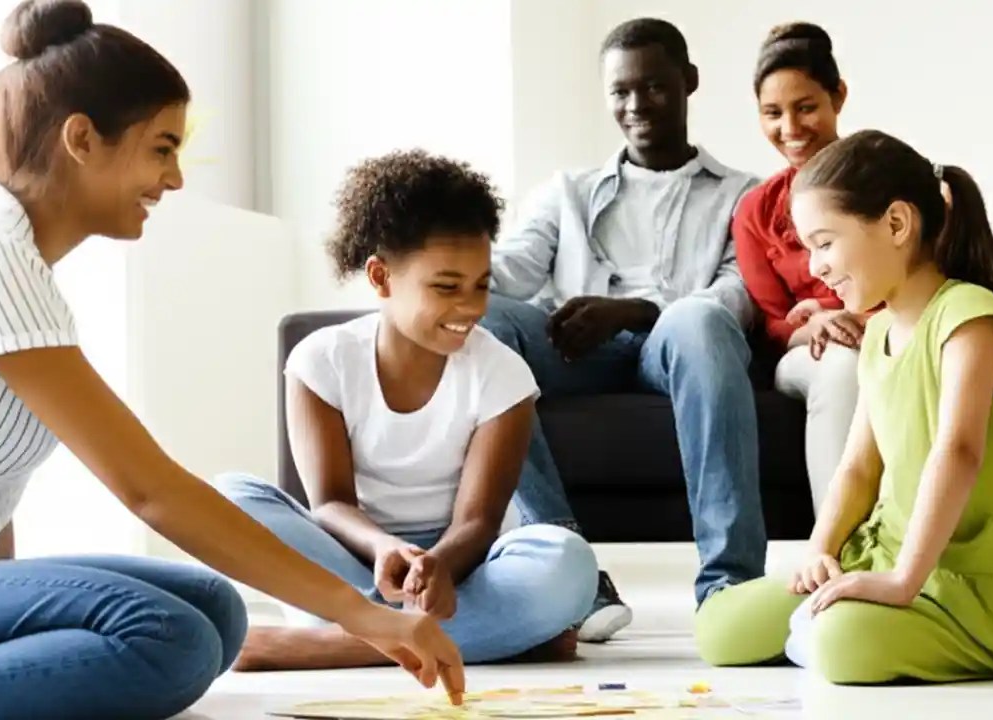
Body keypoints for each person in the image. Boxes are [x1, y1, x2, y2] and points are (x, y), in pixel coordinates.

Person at [0, 2, 462, 719]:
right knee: (168, 635)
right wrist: (368, 616)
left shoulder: (15, 255)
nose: (173, 179)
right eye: (162, 147)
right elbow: (152, 492)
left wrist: (8, 646)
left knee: (212, 607)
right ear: (82, 138)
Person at [695, 129, 993, 684]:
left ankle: (845, 629)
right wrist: (820, 551)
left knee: (842, 644)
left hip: (973, 594)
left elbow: (957, 451)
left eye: (824, 242)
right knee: (719, 627)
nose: (814, 267)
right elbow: (859, 467)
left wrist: (902, 581)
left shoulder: (968, 316)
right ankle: (830, 625)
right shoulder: (879, 330)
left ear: (895, 224)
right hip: (882, 558)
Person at [217, 150, 600, 671]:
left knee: (568, 563)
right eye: (445, 287)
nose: (470, 306)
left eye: (481, 285)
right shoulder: (321, 361)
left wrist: (436, 564)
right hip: (353, 562)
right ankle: (495, 637)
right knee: (227, 500)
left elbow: (479, 520)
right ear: (380, 278)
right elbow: (329, 503)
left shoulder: (502, 372)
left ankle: (335, 643)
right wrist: (383, 550)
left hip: (463, 569)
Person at [483, 17, 765, 643]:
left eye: (655, 88)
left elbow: (738, 294)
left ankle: (731, 587)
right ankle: (569, 574)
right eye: (620, 92)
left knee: (701, 317)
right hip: (572, 348)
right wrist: (447, 246)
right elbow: (510, 271)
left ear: (689, 83)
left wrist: (639, 311)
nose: (636, 106)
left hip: (679, 344)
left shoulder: (744, 195)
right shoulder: (567, 192)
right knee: (482, 317)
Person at [732, 23, 865, 513]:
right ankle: (836, 552)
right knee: (842, 365)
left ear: (838, 97)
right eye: (772, 113)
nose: (789, 128)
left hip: (893, 332)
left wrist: (867, 323)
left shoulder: (885, 175)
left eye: (805, 107)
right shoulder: (756, 209)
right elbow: (771, 322)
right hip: (809, 351)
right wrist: (820, 324)